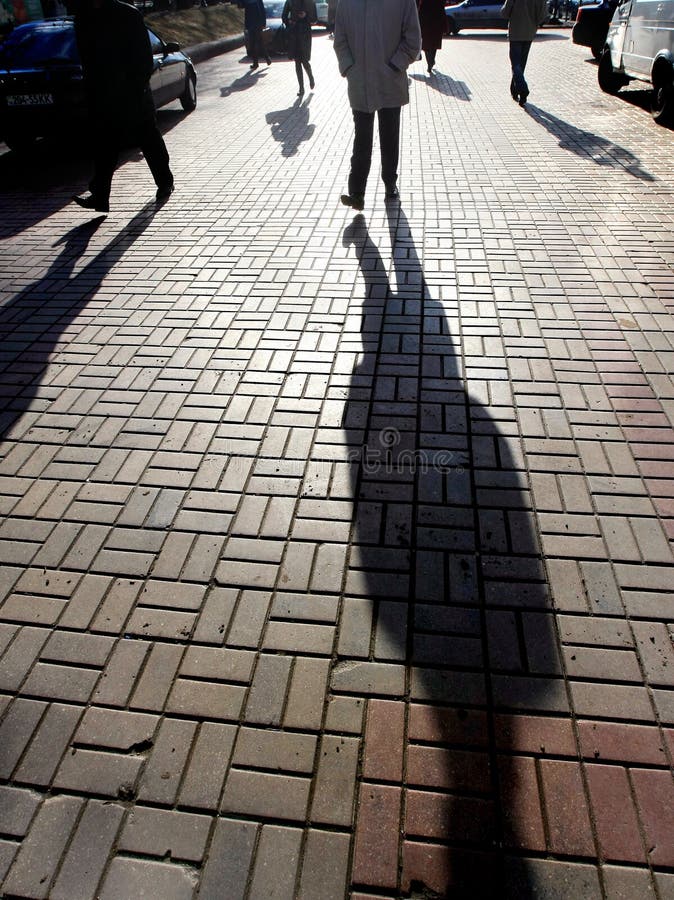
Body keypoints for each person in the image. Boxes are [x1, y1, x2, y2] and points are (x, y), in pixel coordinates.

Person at [71, 0, 174, 214]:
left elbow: (143, 58)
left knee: (148, 138)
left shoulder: (128, 14)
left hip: (132, 93)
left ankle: (165, 182)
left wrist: (137, 87)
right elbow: (87, 58)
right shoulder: (84, 16)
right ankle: (100, 196)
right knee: (104, 147)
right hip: (102, 94)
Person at [334, 0, 421, 210]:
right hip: (360, 82)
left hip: (389, 80)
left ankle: (390, 182)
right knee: (362, 138)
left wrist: (395, 65)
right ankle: (357, 192)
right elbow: (340, 40)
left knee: (389, 136)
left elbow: (413, 40)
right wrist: (348, 68)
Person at [501, 0, 548, 105]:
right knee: (521, 63)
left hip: (515, 32)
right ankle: (514, 90)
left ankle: (522, 90)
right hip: (529, 33)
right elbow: (542, 16)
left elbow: (505, 13)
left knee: (516, 64)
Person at [282, 0, 316, 96]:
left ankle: (310, 77)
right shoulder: (289, 1)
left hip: (305, 35)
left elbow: (314, 19)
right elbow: (284, 16)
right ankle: (301, 88)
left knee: (304, 60)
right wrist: (290, 22)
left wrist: (305, 15)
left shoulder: (309, 2)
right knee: (297, 61)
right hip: (294, 35)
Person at [417, 0, 446, 73]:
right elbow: (442, 9)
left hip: (426, 24)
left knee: (426, 46)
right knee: (434, 45)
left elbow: (420, 10)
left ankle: (430, 62)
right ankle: (431, 62)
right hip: (436, 24)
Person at [244, 0, 271, 70]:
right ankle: (256, 63)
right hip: (251, 26)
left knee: (259, 42)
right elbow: (246, 14)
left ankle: (267, 58)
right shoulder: (247, 2)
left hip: (257, 25)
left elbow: (262, 12)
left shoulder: (258, 1)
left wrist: (263, 24)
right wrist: (246, 26)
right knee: (252, 44)